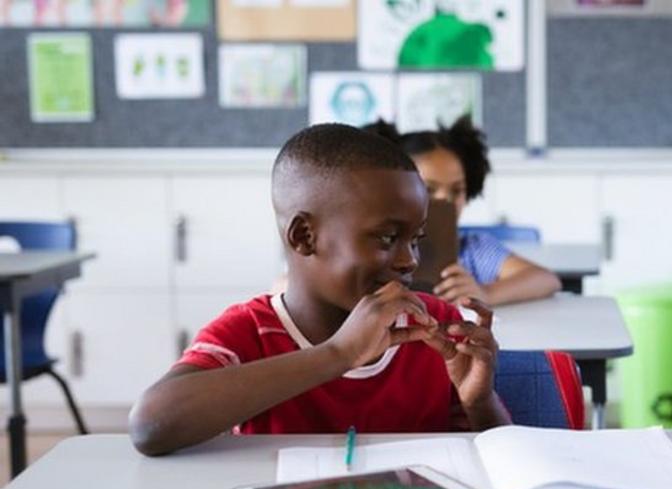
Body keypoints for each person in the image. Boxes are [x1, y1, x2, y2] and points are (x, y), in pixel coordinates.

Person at [129, 123, 510, 456]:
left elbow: (500, 461)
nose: (409, 260)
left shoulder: (434, 324)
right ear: (304, 237)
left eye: (415, 240)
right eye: (387, 238)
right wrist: (338, 354)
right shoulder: (250, 334)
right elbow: (150, 425)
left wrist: (480, 401)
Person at [362, 116, 562, 306]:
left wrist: (485, 293)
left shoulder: (472, 249)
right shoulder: (376, 249)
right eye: (428, 189)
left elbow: (546, 279)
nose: (446, 200)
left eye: (457, 190)